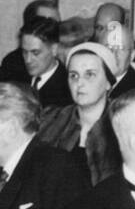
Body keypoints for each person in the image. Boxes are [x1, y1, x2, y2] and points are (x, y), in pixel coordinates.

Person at [36, 42, 121, 185]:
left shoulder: (123, 124)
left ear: (108, 82)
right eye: (74, 76)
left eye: (90, 75)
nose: (79, 83)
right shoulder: (50, 120)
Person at [0, 0, 59, 84]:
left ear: (54, 49)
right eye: (43, 23)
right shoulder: (11, 67)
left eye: (58, 24)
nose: (28, 60)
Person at [20, 17, 71, 109]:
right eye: (24, 52)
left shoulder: (67, 89)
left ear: (54, 49)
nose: (28, 60)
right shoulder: (15, 75)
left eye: (35, 53)